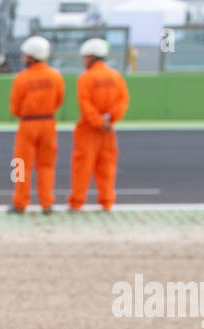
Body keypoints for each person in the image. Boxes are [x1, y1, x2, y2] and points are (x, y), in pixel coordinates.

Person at [69, 38, 130, 211]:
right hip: (108, 130)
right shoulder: (116, 77)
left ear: (90, 57)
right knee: (107, 167)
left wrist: (97, 121)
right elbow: (123, 101)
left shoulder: (85, 78)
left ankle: (77, 202)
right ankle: (106, 202)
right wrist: (110, 120)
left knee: (82, 167)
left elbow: (85, 103)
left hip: (89, 129)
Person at [8, 37, 65, 214]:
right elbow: (59, 99)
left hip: (27, 124)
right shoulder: (55, 76)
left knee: (21, 164)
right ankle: (47, 203)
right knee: (46, 165)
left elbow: (14, 106)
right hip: (48, 123)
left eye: (25, 55)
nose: (23, 58)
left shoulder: (22, 78)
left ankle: (20, 203)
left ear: (32, 56)